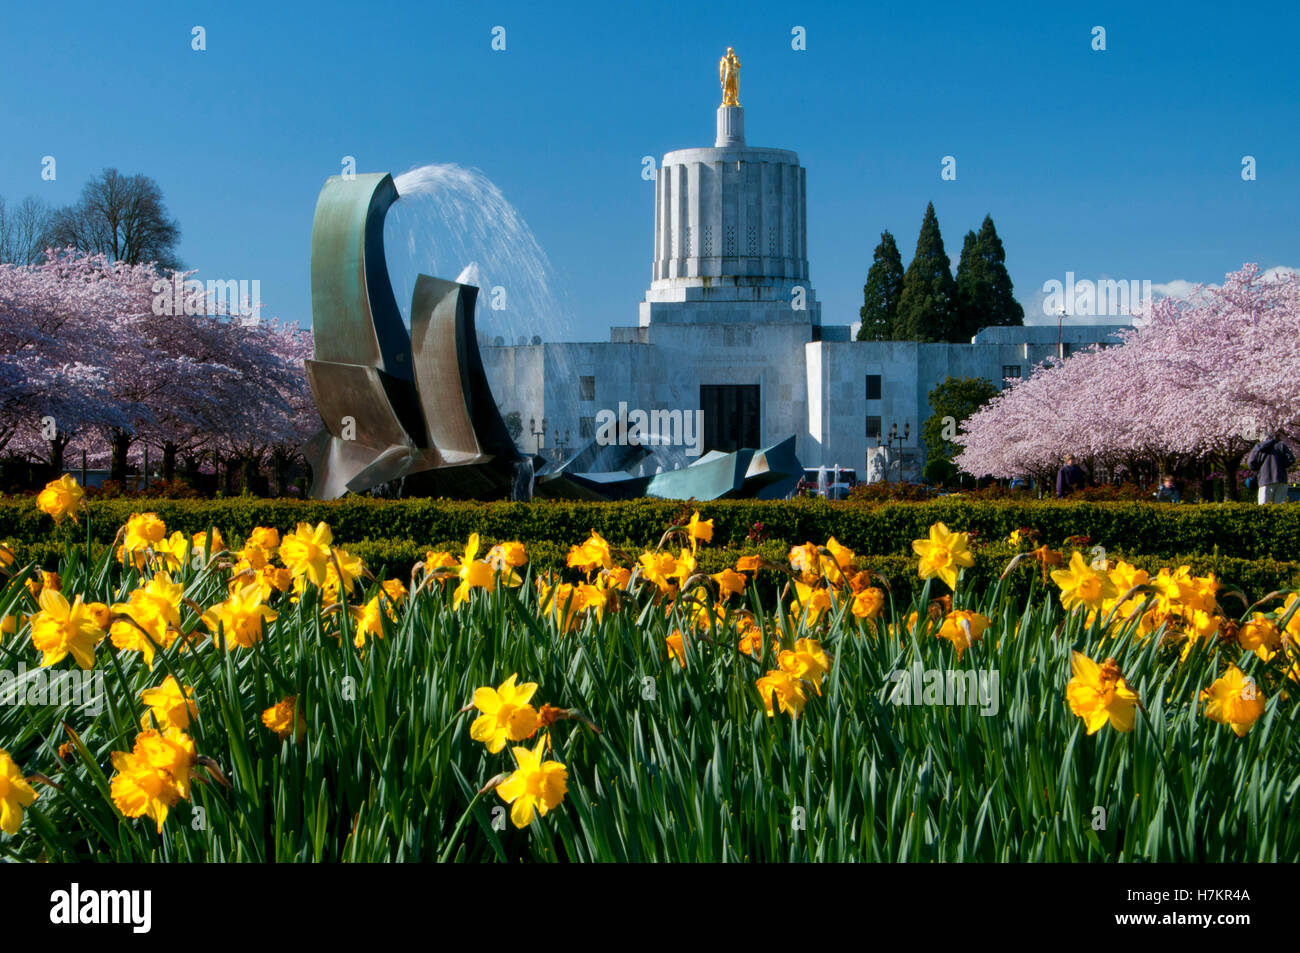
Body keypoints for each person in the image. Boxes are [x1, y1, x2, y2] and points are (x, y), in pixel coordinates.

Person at [1247, 435, 1295, 505]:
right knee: (1279, 507)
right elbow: (1291, 459)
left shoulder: (1258, 448)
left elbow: (1251, 464)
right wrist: (1282, 465)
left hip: (1265, 480)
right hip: (1281, 480)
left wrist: (1257, 468)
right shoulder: (1281, 446)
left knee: (1264, 507)